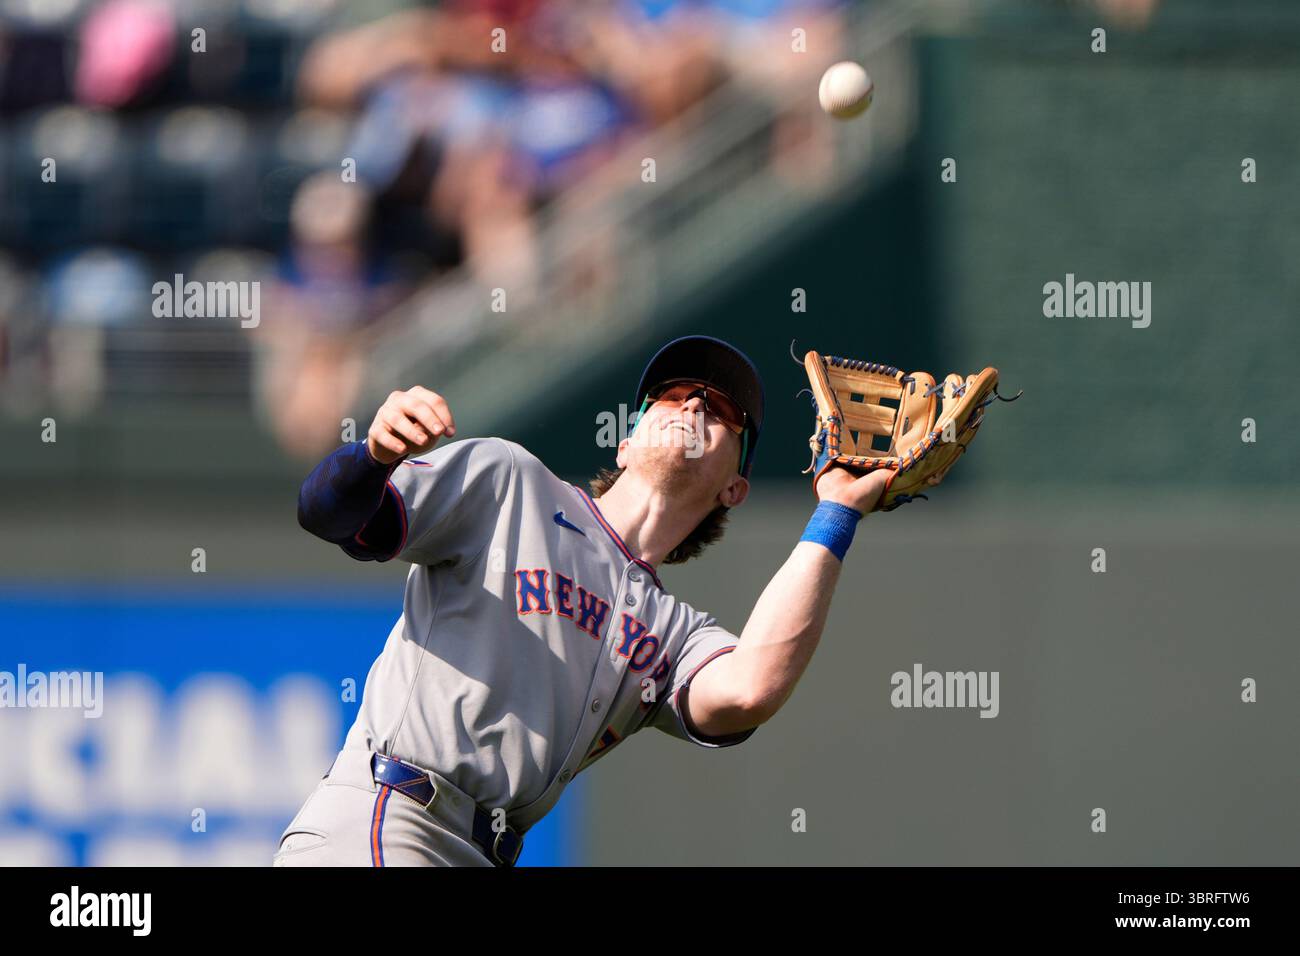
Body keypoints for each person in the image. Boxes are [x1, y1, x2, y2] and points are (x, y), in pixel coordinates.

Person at [274, 335, 889, 866]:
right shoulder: (510, 481)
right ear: (626, 442)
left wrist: (836, 513)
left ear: (735, 487)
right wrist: (375, 454)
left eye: (722, 409)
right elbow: (329, 516)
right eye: (673, 395)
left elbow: (751, 687)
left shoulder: (671, 634)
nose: (695, 402)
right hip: (393, 818)